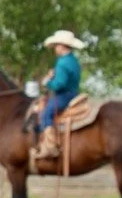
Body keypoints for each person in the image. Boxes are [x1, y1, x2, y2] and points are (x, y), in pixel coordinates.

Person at [31, 30, 85, 160]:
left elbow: (59, 84)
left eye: (56, 45)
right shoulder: (72, 60)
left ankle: (51, 148)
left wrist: (47, 82)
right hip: (73, 93)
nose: (55, 48)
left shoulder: (62, 62)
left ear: (62, 46)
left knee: (46, 114)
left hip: (64, 95)